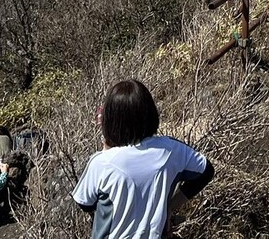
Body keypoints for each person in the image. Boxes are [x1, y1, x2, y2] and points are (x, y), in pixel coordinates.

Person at [72, 79, 214, 239]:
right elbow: (206, 171)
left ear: (111, 120)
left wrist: (106, 150)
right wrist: (169, 207)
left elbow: (85, 203)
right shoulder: (171, 150)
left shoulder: (102, 162)